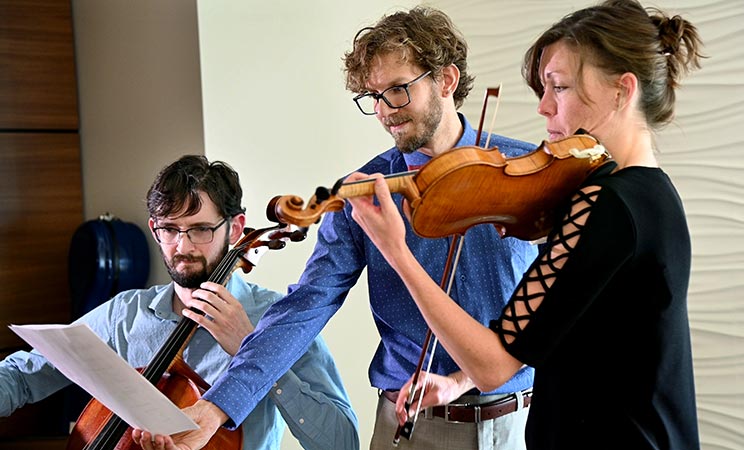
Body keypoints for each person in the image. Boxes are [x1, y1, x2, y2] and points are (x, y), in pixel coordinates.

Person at [132, 6, 539, 450]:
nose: (385, 111)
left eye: (398, 91)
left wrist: (462, 379)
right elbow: (305, 307)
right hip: (409, 427)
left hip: (524, 420)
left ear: (446, 80)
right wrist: (216, 407)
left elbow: (558, 308)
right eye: (374, 96)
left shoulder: (525, 170)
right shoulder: (361, 195)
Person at [348, 0, 705, 448]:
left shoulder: (606, 203)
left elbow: (494, 365)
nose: (543, 107)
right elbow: (552, 336)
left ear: (621, 90)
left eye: (559, 87)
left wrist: (397, 251)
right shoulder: (651, 193)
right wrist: (458, 382)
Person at [0, 155, 359, 450]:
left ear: (235, 229)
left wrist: (257, 352)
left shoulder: (279, 320)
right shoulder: (125, 314)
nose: (183, 247)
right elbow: (24, 375)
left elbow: (341, 441)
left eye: (201, 229)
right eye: (170, 230)